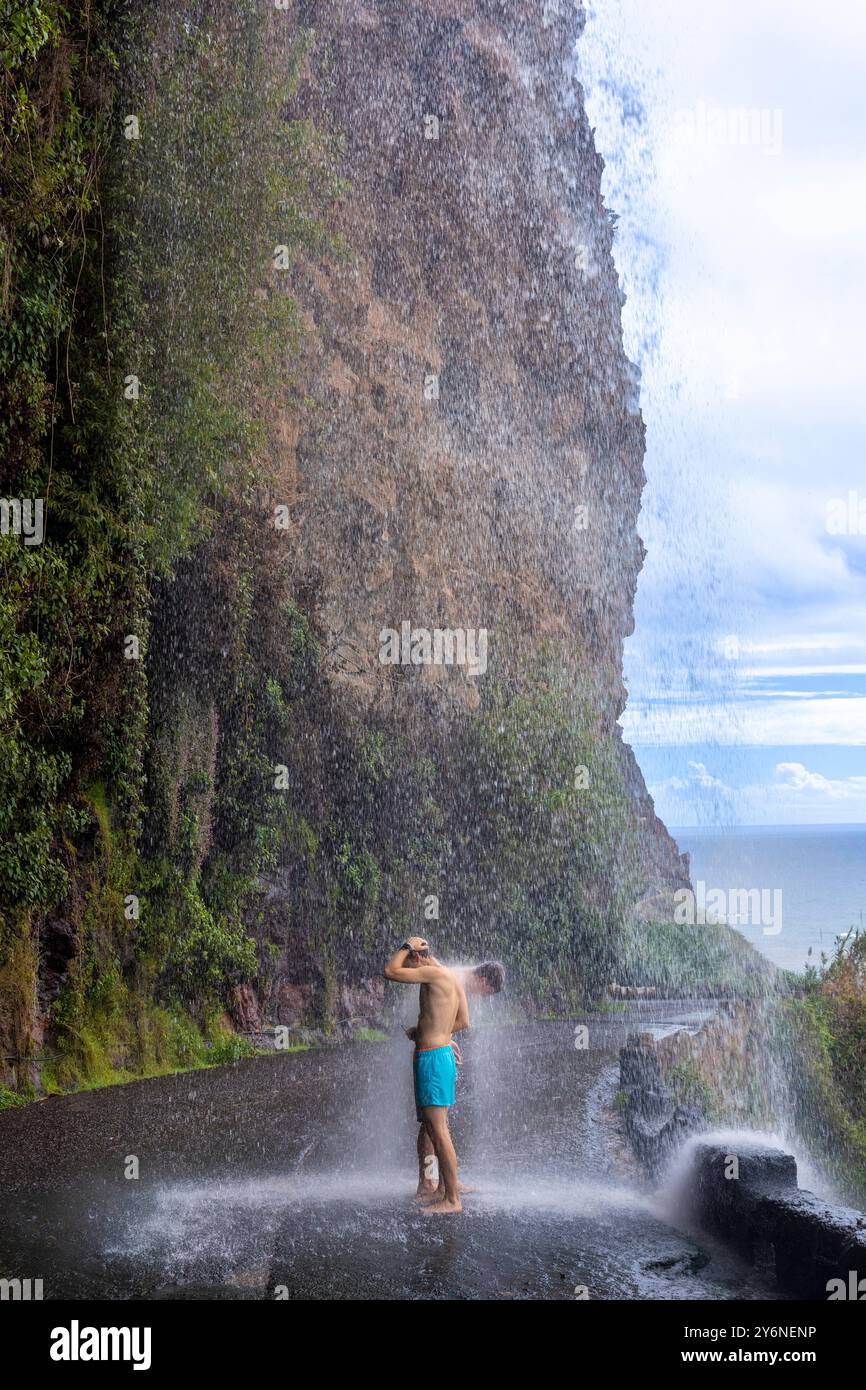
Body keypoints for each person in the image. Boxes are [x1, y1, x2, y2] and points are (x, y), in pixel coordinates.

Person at [383, 937, 505, 1214]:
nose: (411, 967)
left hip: (432, 1057)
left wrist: (404, 946)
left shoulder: (433, 971)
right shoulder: (451, 975)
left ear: (416, 958)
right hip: (441, 1056)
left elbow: (390, 972)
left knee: (436, 1128)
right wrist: (436, 1034)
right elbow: (462, 1020)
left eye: (411, 959)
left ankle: (450, 1196)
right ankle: (440, 1187)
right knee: (435, 1125)